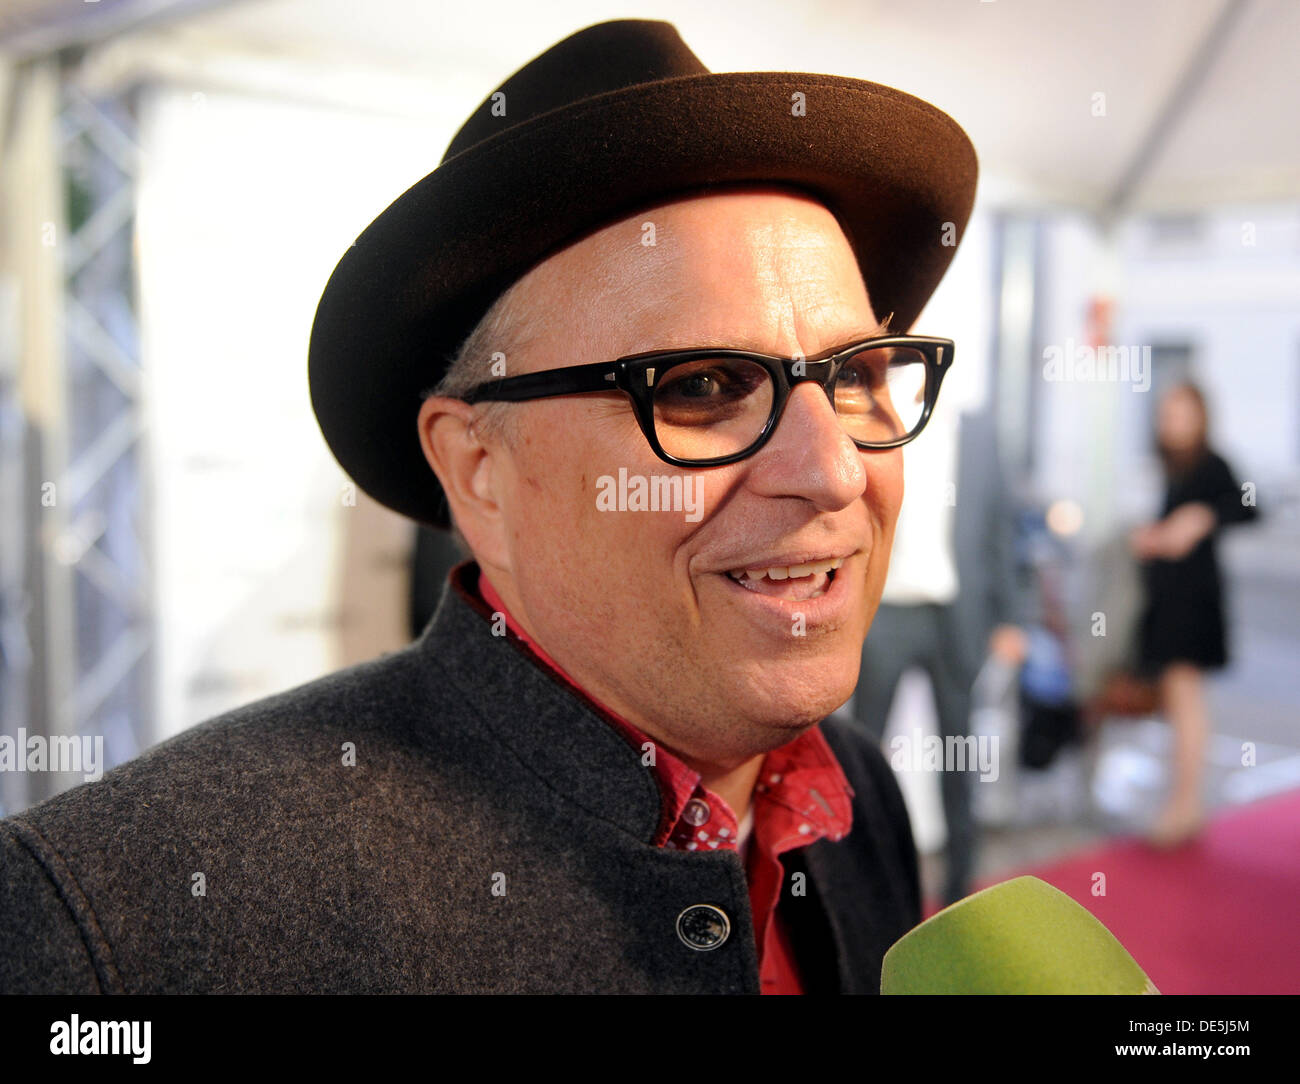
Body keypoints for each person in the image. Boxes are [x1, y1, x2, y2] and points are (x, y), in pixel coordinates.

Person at [0, 19, 977, 993]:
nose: (836, 470)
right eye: (704, 384)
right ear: (478, 472)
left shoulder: (854, 793)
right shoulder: (122, 925)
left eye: (857, 375)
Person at [853, 405, 1028, 905]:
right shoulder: (877, 423)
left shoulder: (978, 433)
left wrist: (1011, 616)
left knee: (958, 755)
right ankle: (862, 886)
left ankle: (959, 891)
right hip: (887, 610)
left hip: (956, 617)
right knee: (865, 753)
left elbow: (1000, 526)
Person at [1129, 381, 1258, 848]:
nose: (1172, 422)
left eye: (1181, 413)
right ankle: (1183, 802)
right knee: (1175, 705)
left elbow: (1248, 505)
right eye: (1167, 413)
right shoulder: (1167, 467)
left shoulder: (1211, 464)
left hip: (1193, 604)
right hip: (1165, 602)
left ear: (1200, 416)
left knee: (1186, 704)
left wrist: (1202, 518)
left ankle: (1184, 805)